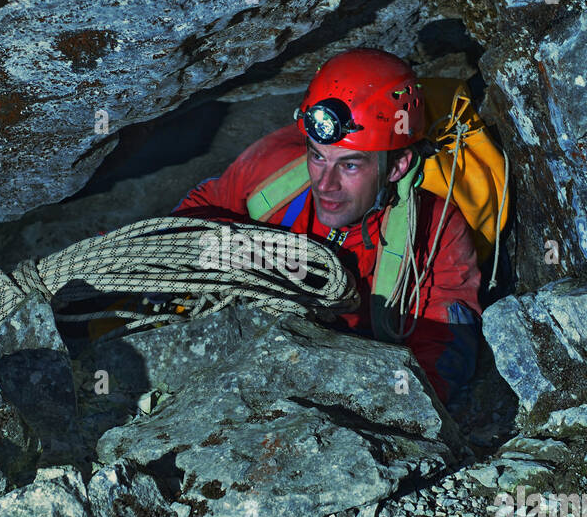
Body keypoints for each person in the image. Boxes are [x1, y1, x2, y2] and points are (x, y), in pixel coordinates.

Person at [172, 47, 482, 408]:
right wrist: (246, 254)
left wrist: (392, 407)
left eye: (350, 166)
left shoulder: (436, 229)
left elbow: (446, 341)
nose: (325, 183)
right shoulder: (275, 167)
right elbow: (195, 215)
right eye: (318, 156)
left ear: (397, 167)